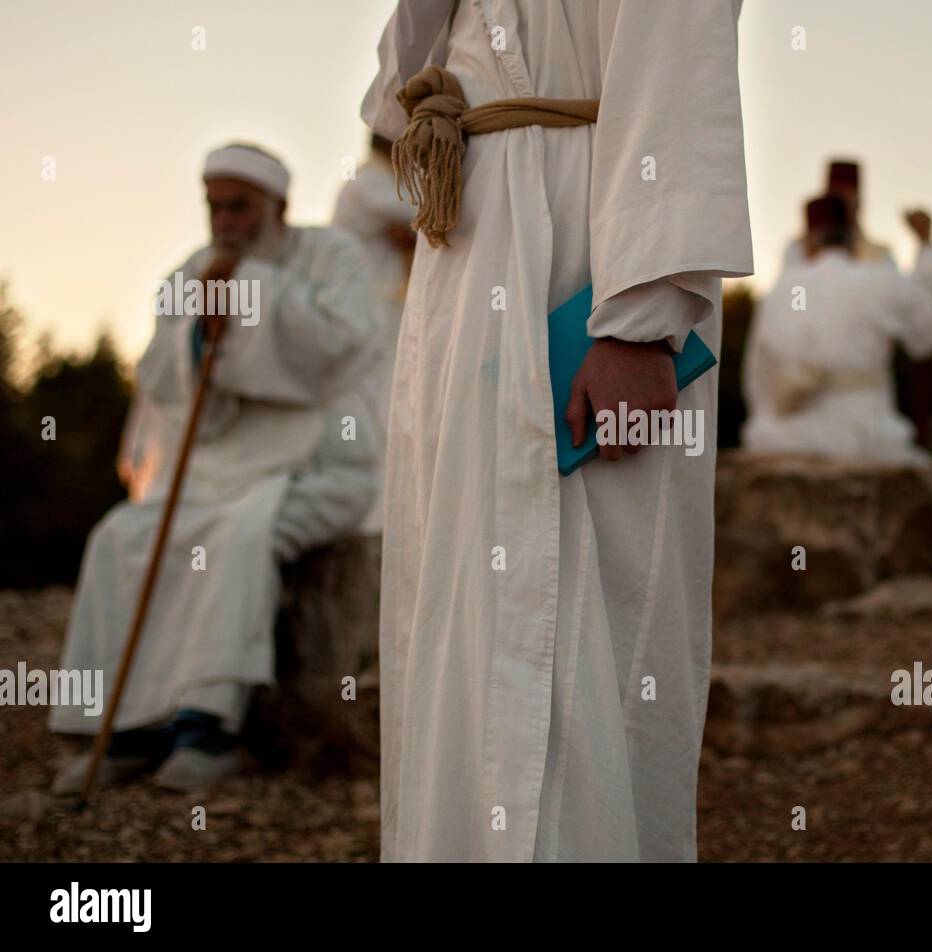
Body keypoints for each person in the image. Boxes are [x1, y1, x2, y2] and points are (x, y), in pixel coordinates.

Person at [362, 0, 753, 862]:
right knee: (461, 588)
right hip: (467, 246)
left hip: (588, 244)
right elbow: (395, 95)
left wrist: (639, 323)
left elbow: (677, 55)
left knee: (588, 600)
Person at [48, 143, 382, 794]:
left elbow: (346, 346)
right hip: (221, 466)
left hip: (321, 464)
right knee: (121, 536)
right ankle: (127, 726)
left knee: (238, 538)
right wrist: (201, 333)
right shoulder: (193, 271)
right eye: (215, 207)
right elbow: (160, 375)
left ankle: (206, 726)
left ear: (277, 206)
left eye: (239, 207)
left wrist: (251, 295)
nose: (225, 221)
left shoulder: (331, 255)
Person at [742, 194, 932, 461]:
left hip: (789, 437)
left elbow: (758, 375)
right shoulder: (880, 280)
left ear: (809, 239)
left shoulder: (780, 290)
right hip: (867, 437)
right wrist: (927, 246)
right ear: (853, 237)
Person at [331, 133, 416, 533]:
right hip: (369, 323)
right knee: (377, 417)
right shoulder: (366, 184)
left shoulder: (392, 181)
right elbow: (429, 214)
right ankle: (375, 522)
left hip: (392, 318)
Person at [781, 159, 891, 268]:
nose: (845, 207)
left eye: (850, 200)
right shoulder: (796, 248)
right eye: (839, 199)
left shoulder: (880, 253)